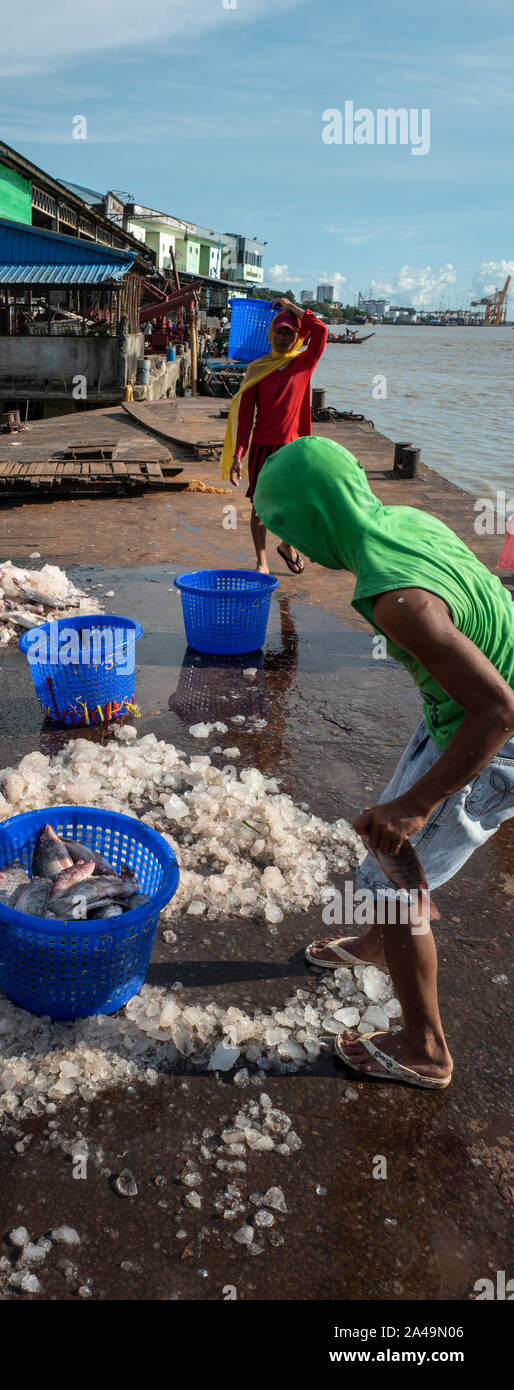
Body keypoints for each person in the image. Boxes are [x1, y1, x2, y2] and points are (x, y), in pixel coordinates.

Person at [253, 435, 514, 1090]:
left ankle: (426, 1050)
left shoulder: (398, 601)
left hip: (495, 738)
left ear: (310, 522)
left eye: (291, 530)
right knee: (385, 858)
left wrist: (418, 804)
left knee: (391, 884)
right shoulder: (404, 521)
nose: (299, 548)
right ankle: (377, 945)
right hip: (453, 717)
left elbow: (499, 711)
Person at [222, 298, 327, 574]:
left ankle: (286, 545)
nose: (282, 338)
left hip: (292, 450)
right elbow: (246, 418)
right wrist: (237, 456)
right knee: (260, 509)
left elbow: (321, 331)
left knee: (294, 509)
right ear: (271, 334)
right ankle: (262, 561)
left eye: (289, 333)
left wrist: (291, 307)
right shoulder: (257, 368)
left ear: (297, 337)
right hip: (261, 450)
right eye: (278, 332)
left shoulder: (304, 364)